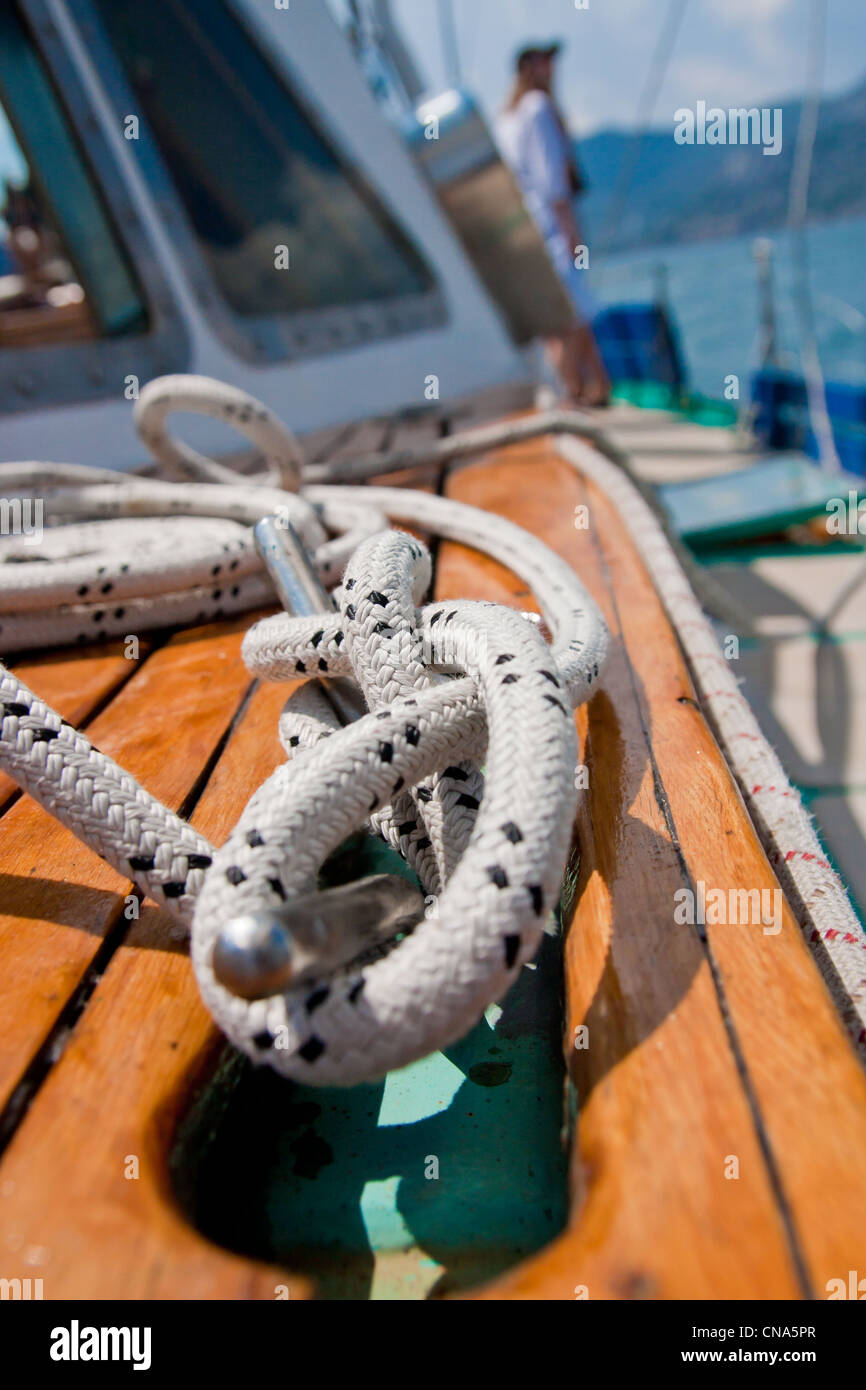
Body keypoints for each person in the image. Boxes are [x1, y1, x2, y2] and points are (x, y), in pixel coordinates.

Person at [496, 42, 610, 407]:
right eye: (545, 61)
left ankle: (596, 388)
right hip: (551, 226)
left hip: (522, 230)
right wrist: (572, 234)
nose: (553, 68)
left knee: (562, 319)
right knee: (573, 315)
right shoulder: (538, 108)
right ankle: (564, 396)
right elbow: (553, 181)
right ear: (530, 68)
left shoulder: (505, 118)